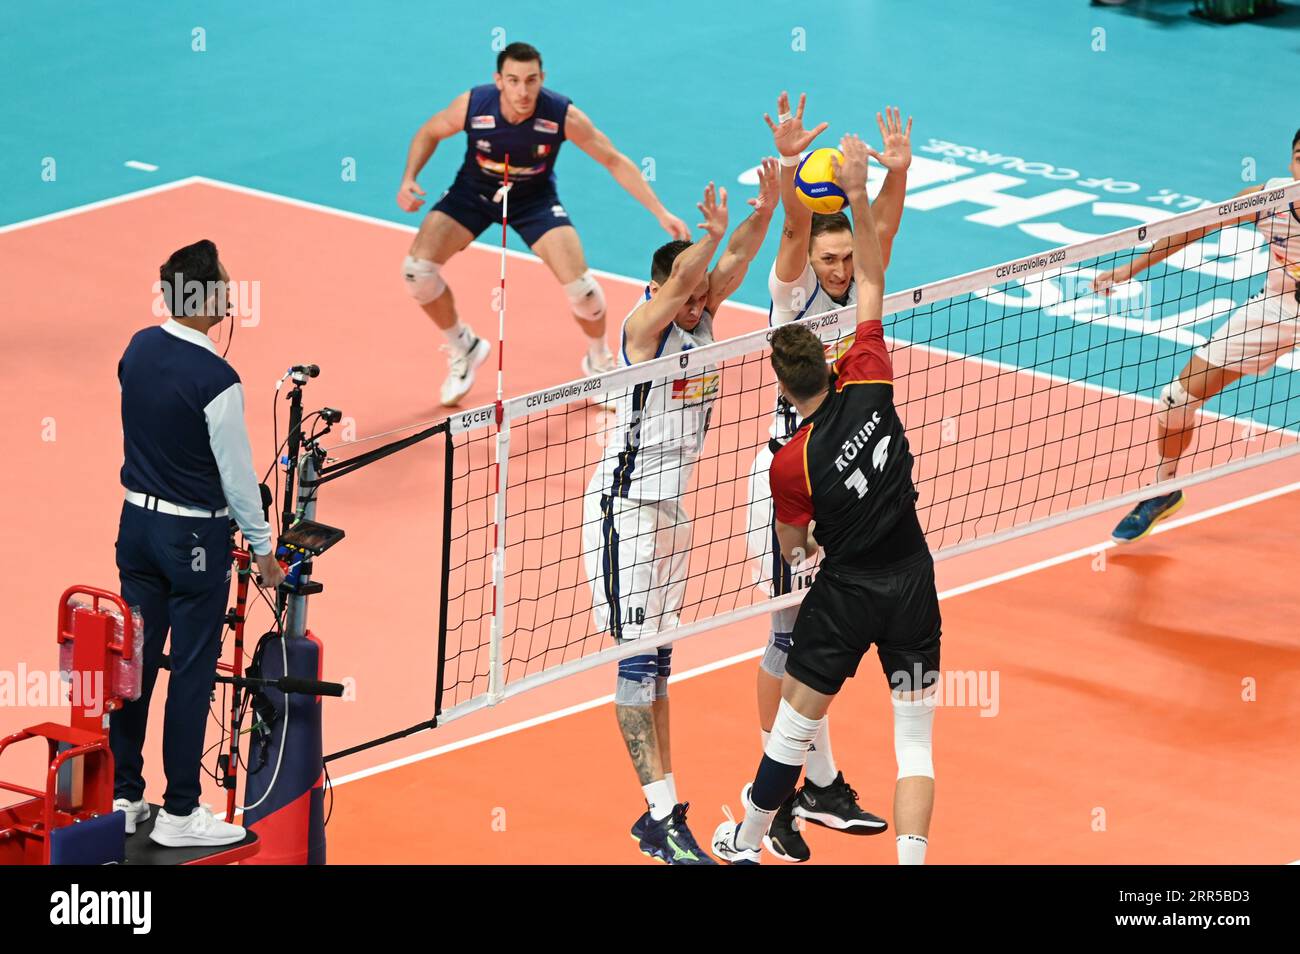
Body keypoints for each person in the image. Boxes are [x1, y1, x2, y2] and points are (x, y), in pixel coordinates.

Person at [712, 135, 940, 865]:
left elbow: (882, 235)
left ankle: (812, 788)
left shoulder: (861, 296)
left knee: (819, 644)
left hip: (839, 499)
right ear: (809, 260)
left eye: (847, 259)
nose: (841, 270)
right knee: (786, 642)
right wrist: (792, 186)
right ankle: (778, 811)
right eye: (828, 259)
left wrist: (891, 175)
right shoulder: (792, 296)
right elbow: (790, 237)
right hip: (792, 484)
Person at [581, 162, 779, 863]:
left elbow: (740, 261)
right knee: (636, 669)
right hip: (626, 513)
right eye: (691, 294)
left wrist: (770, 204)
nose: (703, 303)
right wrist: (709, 238)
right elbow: (687, 282)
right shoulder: (644, 328)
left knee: (660, 667)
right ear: (669, 289)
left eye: (703, 297)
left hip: (674, 518)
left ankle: (662, 809)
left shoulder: (701, 317)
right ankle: (661, 816)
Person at [396, 41, 690, 406]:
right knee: (416, 273)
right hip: (473, 193)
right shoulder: (474, 105)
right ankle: (464, 346)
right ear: (498, 80)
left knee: (583, 291)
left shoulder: (560, 114)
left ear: (542, 78)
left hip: (534, 202)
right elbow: (430, 131)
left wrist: (660, 211)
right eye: (514, 80)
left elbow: (612, 159)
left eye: (531, 80)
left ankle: (598, 360)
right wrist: (410, 177)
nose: (523, 91)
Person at [114, 239, 284, 848]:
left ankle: (125, 796)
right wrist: (264, 552)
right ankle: (181, 813)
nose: (233, 294)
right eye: (226, 286)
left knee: (132, 665)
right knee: (190, 672)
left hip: (135, 528)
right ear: (205, 298)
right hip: (193, 538)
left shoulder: (136, 347)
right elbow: (239, 481)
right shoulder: (219, 378)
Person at [1098, 130, 1300, 542]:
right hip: (1278, 306)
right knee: (1176, 401)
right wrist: (1129, 270)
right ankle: (1163, 488)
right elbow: (1196, 228)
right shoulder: (1269, 200)